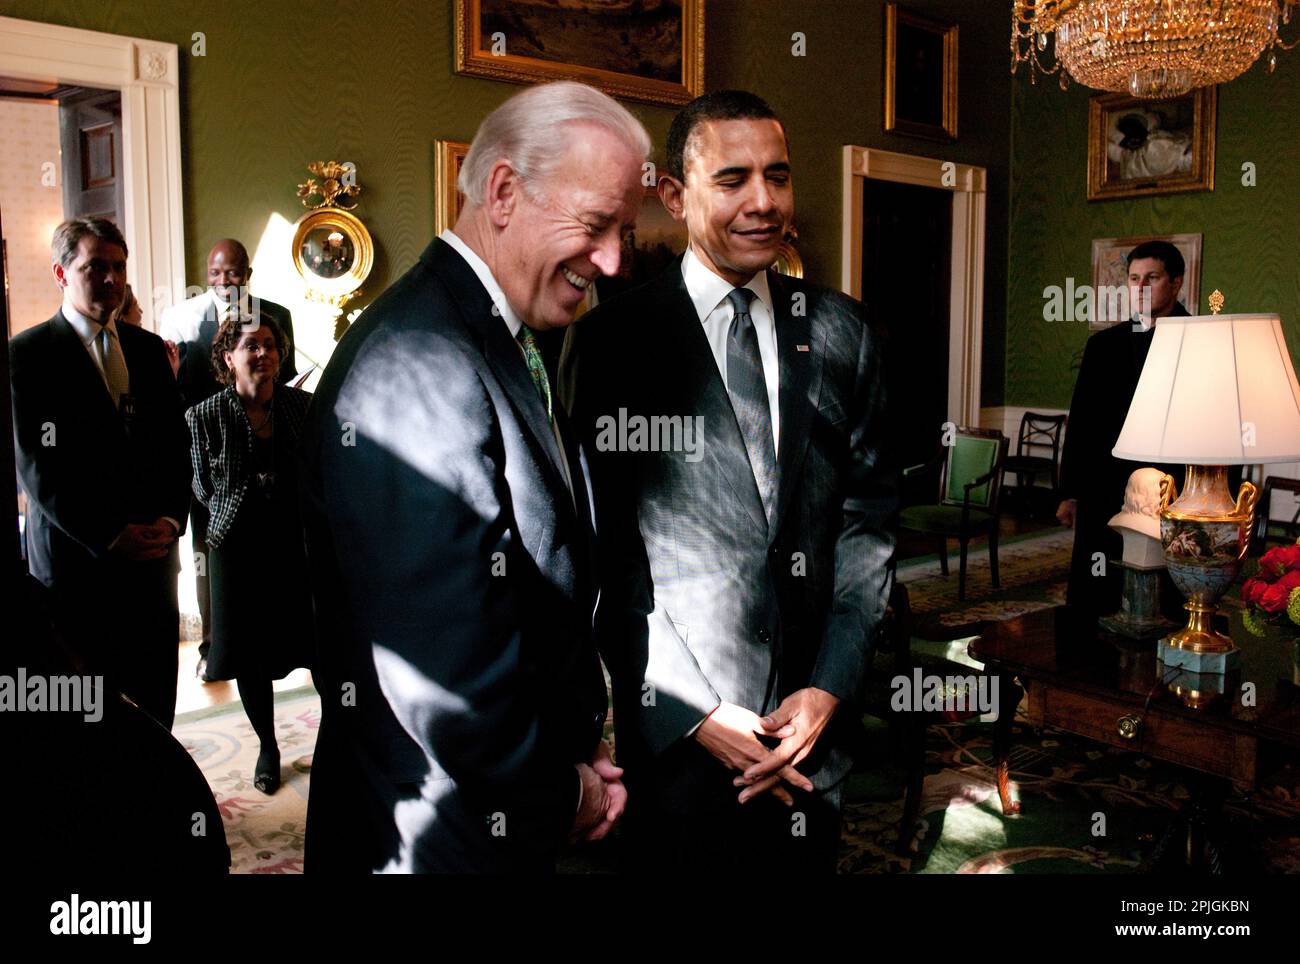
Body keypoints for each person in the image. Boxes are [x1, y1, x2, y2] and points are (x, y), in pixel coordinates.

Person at [301, 81, 648, 873]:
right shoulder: (419, 361)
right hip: (438, 835)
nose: (613, 259)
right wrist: (567, 795)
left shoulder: (499, 333)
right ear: (501, 192)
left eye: (623, 232)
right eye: (595, 225)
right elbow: (444, 679)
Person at [564, 90, 897, 872]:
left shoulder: (842, 329)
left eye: (778, 178)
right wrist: (694, 712)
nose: (764, 202)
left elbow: (867, 519)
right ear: (675, 196)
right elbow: (604, 554)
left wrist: (828, 689)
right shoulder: (612, 342)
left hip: (811, 742)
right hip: (685, 748)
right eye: (734, 179)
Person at [10, 217, 191, 729]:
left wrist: (170, 520)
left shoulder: (150, 351)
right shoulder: (27, 355)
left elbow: (174, 447)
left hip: (153, 562)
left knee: (155, 700)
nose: (112, 279)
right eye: (95, 267)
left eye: (118, 266)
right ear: (61, 273)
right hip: (77, 565)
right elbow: (38, 468)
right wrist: (111, 535)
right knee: (87, 715)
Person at [186, 315, 314, 794]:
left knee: (316, 646)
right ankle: (268, 746)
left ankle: (338, 741)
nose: (263, 354)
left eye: (270, 346)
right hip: (238, 548)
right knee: (252, 656)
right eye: (250, 347)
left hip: (294, 543)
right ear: (228, 358)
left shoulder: (304, 407)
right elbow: (203, 488)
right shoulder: (205, 415)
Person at [161, 239, 299, 681]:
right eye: (216, 273)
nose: (224, 282)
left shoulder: (276, 314)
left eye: (233, 273)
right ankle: (214, 647)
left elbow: (286, 376)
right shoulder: (181, 318)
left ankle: (281, 643)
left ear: (248, 273)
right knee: (209, 556)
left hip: (267, 439)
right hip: (209, 448)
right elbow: (176, 390)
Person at [1057, 239, 1191, 615]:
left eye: (1153, 277)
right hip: (1105, 486)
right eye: (1134, 279)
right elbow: (1081, 422)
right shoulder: (1103, 346)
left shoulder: (1200, 340)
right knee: (1097, 589)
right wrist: (1070, 493)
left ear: (1176, 282)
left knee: (1166, 592)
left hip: (1173, 487)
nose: (1141, 288)